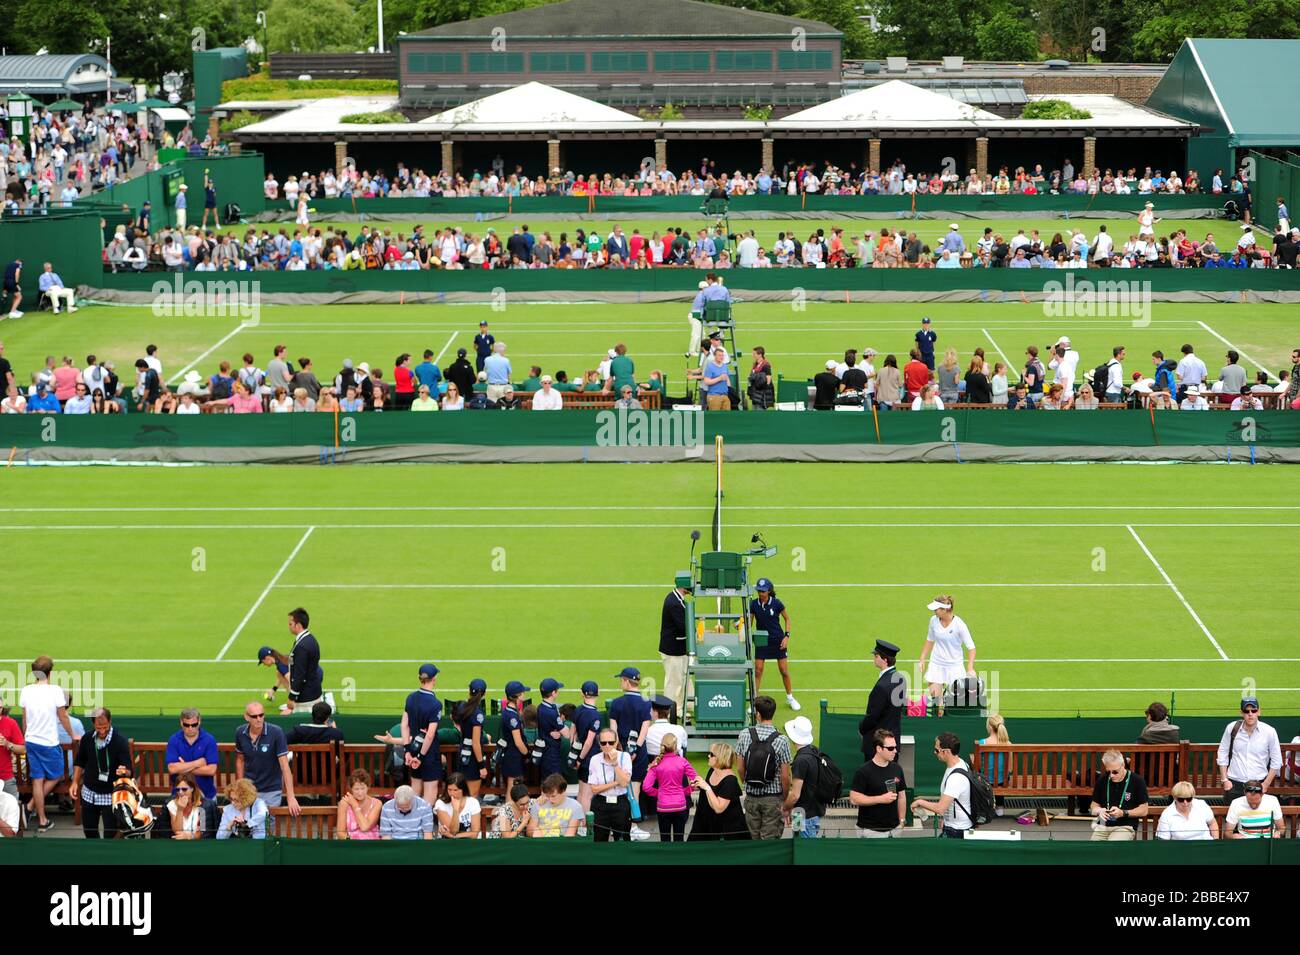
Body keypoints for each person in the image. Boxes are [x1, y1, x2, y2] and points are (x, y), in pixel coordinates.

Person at [19, 655, 77, 833]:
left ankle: (41, 818)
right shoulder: (55, 691)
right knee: (57, 776)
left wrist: (26, 737)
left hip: (31, 741)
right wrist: (73, 734)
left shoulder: (26, 690)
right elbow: (63, 716)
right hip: (48, 743)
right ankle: (29, 808)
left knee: (38, 779)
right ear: (49, 672)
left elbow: (24, 718)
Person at [375, 663, 443, 804]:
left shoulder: (411, 698)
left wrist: (408, 751)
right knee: (430, 792)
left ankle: (412, 823)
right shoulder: (435, 704)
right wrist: (420, 756)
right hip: (428, 754)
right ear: (434, 678)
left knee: (416, 789)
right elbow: (430, 735)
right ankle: (423, 825)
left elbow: (404, 724)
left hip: (412, 749)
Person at [734, 695, 792, 840]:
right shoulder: (782, 740)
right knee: (769, 843)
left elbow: (740, 768)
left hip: (752, 797)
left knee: (753, 841)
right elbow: (785, 777)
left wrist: (747, 784)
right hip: (773, 800)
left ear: (758, 714)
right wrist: (783, 799)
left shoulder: (744, 734)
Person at [70, 707, 133, 838]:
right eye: (99, 728)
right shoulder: (87, 738)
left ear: (110, 722)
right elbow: (79, 762)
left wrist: (124, 771)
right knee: (89, 831)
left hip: (110, 794)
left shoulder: (120, 741)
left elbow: (130, 771)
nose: (102, 731)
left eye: (105, 727)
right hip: (89, 793)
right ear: (93, 724)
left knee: (110, 834)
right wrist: (75, 782)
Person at [607, 666, 653, 840]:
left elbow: (613, 730)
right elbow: (645, 729)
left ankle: (617, 826)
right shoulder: (646, 702)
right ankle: (632, 826)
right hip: (638, 753)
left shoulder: (617, 703)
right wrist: (636, 750)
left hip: (618, 751)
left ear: (627, 681)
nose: (620, 683)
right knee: (635, 789)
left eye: (621, 680)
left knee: (617, 788)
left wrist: (618, 749)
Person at [234, 701, 300, 818]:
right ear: (246, 717)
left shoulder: (276, 732)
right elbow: (240, 759)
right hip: (249, 790)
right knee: (245, 823)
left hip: (271, 789)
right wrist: (240, 788)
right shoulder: (240, 732)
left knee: (267, 825)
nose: (259, 719)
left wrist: (291, 797)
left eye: (261, 715)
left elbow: (284, 765)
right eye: (254, 716)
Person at [917, 595, 976, 715]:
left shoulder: (959, 625)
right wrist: (922, 659)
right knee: (936, 703)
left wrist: (970, 668)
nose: (934, 611)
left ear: (944, 610)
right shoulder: (933, 620)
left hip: (955, 666)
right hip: (936, 663)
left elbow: (971, 648)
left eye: (936, 609)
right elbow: (929, 640)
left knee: (953, 704)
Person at [910, 732, 975, 838]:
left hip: (957, 831)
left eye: (937, 750)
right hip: (956, 826)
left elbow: (940, 808)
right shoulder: (961, 763)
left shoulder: (956, 778)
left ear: (947, 752)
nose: (934, 752)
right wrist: (946, 820)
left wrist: (920, 802)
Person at [748, 577, 799, 711]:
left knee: (784, 671)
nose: (761, 593)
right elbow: (749, 622)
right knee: (758, 671)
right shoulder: (753, 604)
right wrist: (741, 625)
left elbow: (787, 619)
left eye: (763, 591)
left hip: (778, 640)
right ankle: (755, 701)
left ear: (769, 591)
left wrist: (786, 637)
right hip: (762, 641)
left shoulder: (777, 604)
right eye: (759, 591)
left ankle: (790, 697)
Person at [1216, 696, 1281, 798]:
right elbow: (1222, 753)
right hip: (1234, 783)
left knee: (1258, 814)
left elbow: (1277, 761)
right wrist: (1225, 780)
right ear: (1241, 713)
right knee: (1232, 814)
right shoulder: (1231, 728)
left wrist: (1265, 784)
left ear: (1259, 712)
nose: (1250, 714)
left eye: (1253, 710)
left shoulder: (1269, 731)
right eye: (1246, 711)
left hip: (1259, 784)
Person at [850, 729, 908, 837]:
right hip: (871, 831)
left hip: (894, 829)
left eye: (895, 747)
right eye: (890, 748)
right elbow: (854, 798)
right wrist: (881, 799)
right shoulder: (863, 771)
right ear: (879, 749)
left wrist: (902, 821)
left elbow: (902, 797)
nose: (895, 751)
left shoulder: (897, 768)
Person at [643, 733, 697, 842]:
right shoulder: (682, 761)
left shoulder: (657, 763)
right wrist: (685, 791)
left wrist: (659, 793)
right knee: (679, 839)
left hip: (663, 806)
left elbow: (646, 787)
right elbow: (696, 781)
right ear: (675, 746)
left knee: (664, 840)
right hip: (680, 805)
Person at [688, 742, 747, 840]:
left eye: (711, 754)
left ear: (720, 758)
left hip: (724, 832)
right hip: (706, 824)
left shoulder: (730, 781)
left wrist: (706, 787)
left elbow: (719, 808)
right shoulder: (712, 770)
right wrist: (700, 786)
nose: (708, 756)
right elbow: (711, 791)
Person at [1086, 749, 1149, 841]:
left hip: (1125, 826)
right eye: (1108, 771)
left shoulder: (1137, 781)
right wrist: (1099, 810)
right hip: (1103, 826)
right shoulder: (1102, 780)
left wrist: (1123, 813)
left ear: (1123, 765)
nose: (1111, 775)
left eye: (1115, 772)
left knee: (1113, 847)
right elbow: (1094, 805)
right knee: (1093, 850)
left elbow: (1144, 810)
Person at [859, 639, 906, 758]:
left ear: (885, 660)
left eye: (876, 655)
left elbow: (872, 717)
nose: (874, 658)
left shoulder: (882, 686)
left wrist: (861, 728)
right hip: (892, 743)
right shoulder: (900, 679)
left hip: (878, 745)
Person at [165, 708, 220, 802]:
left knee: (204, 817)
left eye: (194, 725)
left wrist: (183, 768)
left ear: (199, 722)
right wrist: (198, 762)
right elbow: (172, 769)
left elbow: (211, 770)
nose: (190, 728)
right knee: (179, 817)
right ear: (181, 723)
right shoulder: (174, 740)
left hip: (206, 796)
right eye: (187, 725)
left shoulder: (209, 739)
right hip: (180, 795)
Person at [782, 716, 824, 838]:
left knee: (805, 852)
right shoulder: (814, 751)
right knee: (800, 846)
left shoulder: (801, 760)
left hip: (803, 815)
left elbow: (795, 795)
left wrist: (785, 808)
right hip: (808, 812)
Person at [587, 733, 633, 841]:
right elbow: (594, 789)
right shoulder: (595, 759)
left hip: (620, 802)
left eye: (611, 743)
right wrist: (615, 782)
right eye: (604, 743)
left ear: (616, 743)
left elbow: (625, 783)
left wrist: (615, 764)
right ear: (600, 744)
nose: (607, 746)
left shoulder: (624, 756)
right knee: (599, 839)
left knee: (622, 838)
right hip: (600, 803)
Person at [659, 575, 690, 715]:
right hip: (673, 650)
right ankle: (673, 710)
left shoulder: (676, 599)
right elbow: (683, 627)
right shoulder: (674, 603)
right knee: (674, 682)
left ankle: (686, 705)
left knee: (682, 678)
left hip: (679, 649)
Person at [283, 606, 323, 714]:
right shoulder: (309, 639)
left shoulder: (302, 646)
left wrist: (292, 697)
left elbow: (300, 674)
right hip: (312, 692)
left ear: (298, 625)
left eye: (290, 624)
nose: (289, 626)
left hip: (306, 699)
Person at [453, 678, 489, 796]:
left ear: (469, 691)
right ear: (484, 694)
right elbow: (476, 743)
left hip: (463, 752)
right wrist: (481, 766)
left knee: (461, 795)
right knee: (472, 797)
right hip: (472, 758)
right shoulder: (477, 713)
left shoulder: (463, 707)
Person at [977, 714, 1010, 816]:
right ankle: (999, 807)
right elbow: (1010, 768)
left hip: (986, 781)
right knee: (1003, 776)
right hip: (1002, 782)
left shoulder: (982, 743)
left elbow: (977, 766)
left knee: (978, 775)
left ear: (990, 727)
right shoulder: (1008, 743)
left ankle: (984, 806)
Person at [536, 677, 570, 779]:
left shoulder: (542, 707)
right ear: (554, 693)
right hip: (551, 755)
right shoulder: (550, 712)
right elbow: (567, 734)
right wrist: (562, 728)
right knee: (553, 785)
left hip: (546, 751)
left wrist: (555, 730)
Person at [336, 769, 382, 839]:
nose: (360, 793)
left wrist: (355, 805)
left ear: (368, 787)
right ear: (351, 789)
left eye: (363, 788)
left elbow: (364, 827)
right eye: (356, 789)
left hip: (372, 843)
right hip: (352, 845)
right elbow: (340, 832)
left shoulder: (377, 803)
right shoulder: (344, 803)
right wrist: (351, 842)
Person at [435, 772, 483, 838]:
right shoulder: (440, 804)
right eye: (449, 790)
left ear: (463, 789)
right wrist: (455, 810)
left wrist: (454, 836)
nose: (452, 793)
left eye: (455, 790)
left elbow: (474, 834)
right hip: (446, 843)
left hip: (468, 843)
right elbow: (453, 831)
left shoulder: (473, 802)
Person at [167, 772, 207, 840]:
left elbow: (200, 833)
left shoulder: (202, 806)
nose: (180, 792)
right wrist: (180, 809)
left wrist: (190, 836)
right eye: (177, 789)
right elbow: (177, 831)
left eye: (184, 789)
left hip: (196, 844)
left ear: (192, 789)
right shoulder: (172, 804)